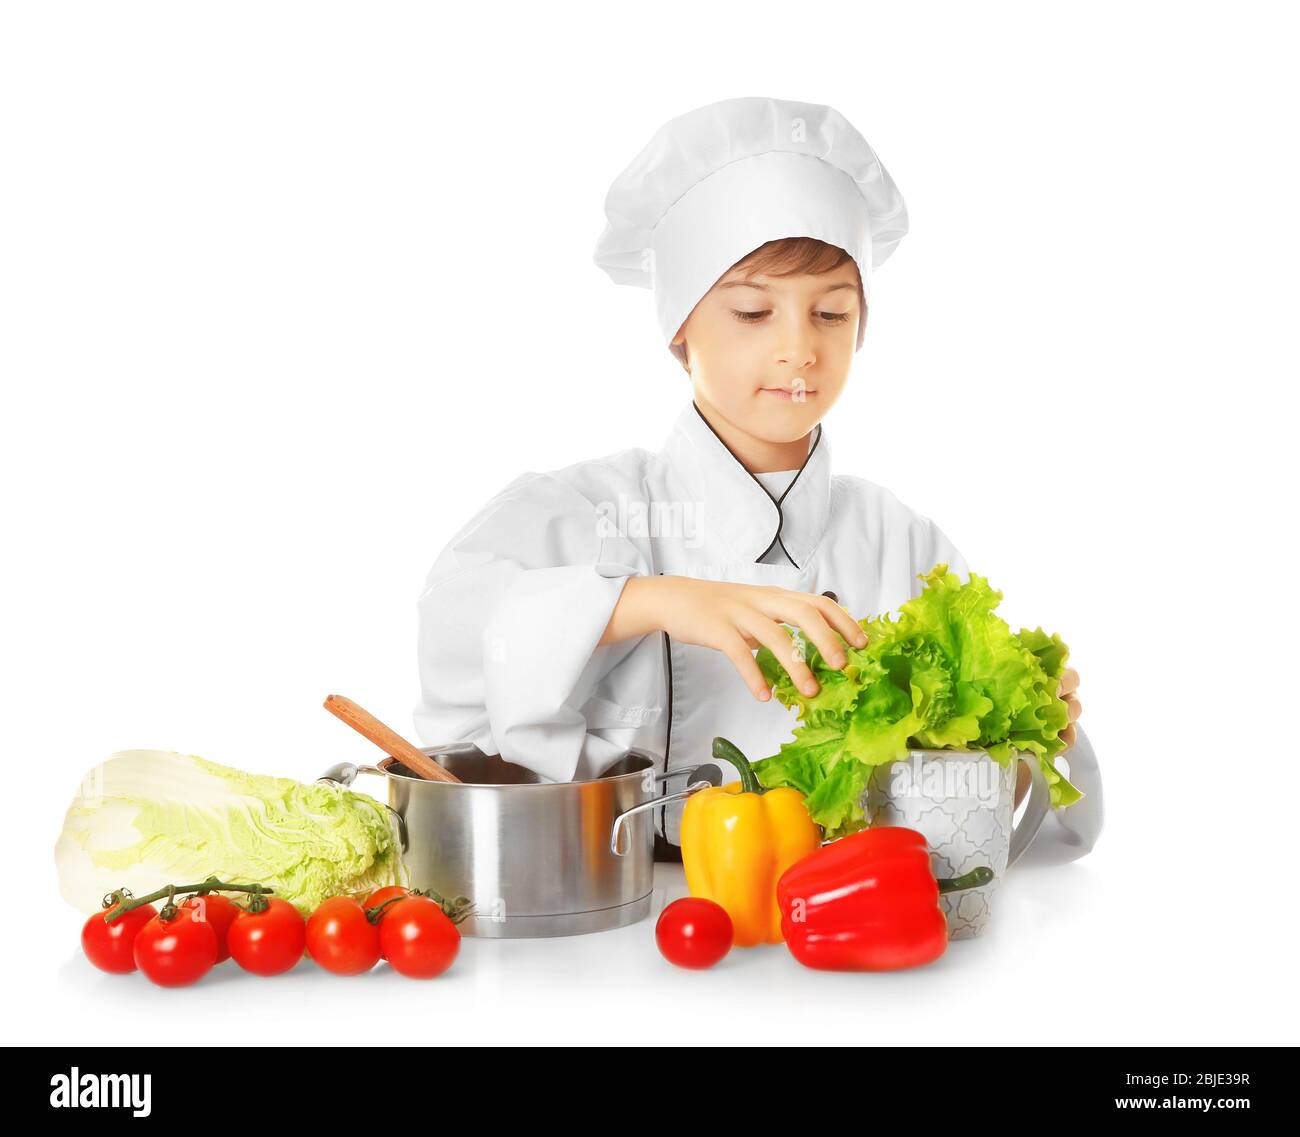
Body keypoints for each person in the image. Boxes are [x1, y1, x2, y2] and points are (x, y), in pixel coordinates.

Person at [414, 96, 1102, 860]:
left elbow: (983, 819)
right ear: (680, 328)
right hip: (619, 922)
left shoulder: (900, 541)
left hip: (840, 923)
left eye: (832, 315)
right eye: (752, 312)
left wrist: (1021, 728)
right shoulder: (587, 511)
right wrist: (651, 600)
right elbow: (462, 625)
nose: (798, 349)